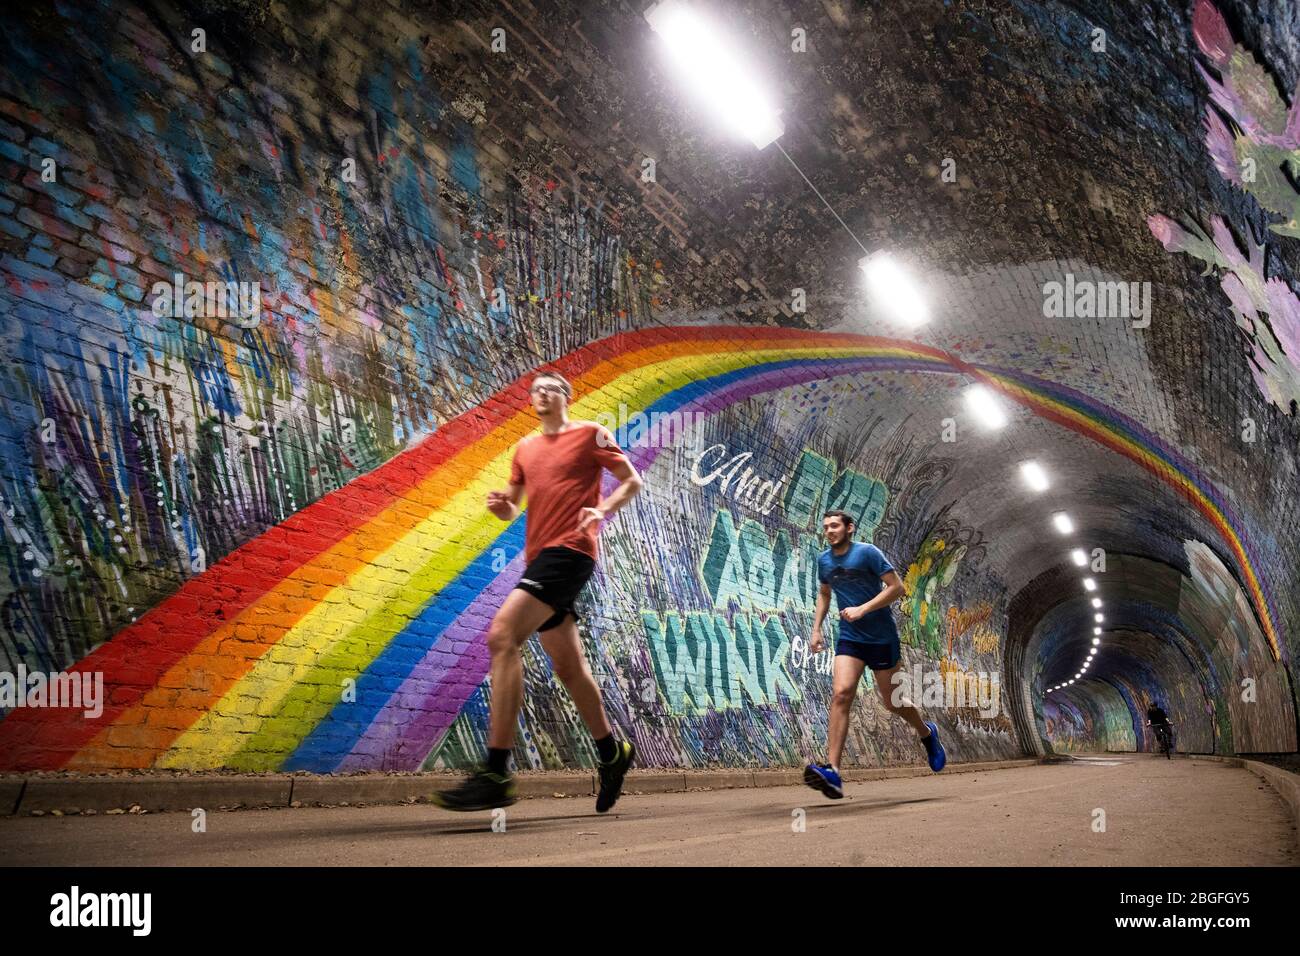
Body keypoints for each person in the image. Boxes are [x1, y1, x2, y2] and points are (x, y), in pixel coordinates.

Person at [433, 371, 643, 812]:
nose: (543, 393)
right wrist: (501, 507)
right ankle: (612, 754)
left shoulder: (591, 434)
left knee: (502, 635)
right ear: (532, 401)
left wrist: (600, 510)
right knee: (568, 666)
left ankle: (495, 771)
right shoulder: (525, 449)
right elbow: (512, 507)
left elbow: (631, 481)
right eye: (536, 390)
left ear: (567, 397)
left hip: (572, 550)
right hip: (539, 559)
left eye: (552, 388)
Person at [804, 510, 946, 799]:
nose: (829, 531)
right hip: (850, 638)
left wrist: (862, 609)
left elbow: (898, 588)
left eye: (835, 526)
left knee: (892, 703)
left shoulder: (868, 553)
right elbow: (825, 594)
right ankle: (832, 770)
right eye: (826, 527)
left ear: (849, 528)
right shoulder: (824, 561)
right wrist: (816, 629)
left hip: (881, 638)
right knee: (841, 693)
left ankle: (927, 733)